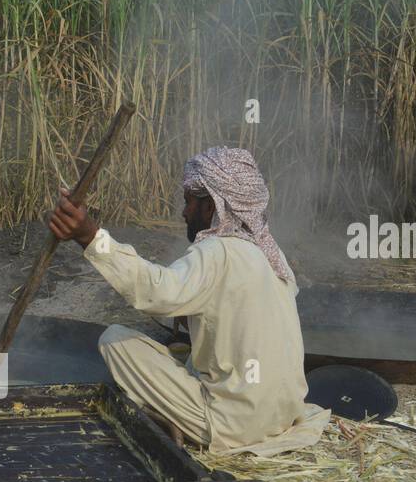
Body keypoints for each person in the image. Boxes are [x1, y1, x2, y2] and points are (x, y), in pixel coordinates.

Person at [47, 145, 330, 456]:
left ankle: (190, 421)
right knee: (185, 352)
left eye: (188, 202)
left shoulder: (218, 251)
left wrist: (90, 235)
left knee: (115, 340)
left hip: (237, 425)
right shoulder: (271, 255)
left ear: (210, 207)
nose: (183, 212)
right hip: (285, 415)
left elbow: (156, 292)